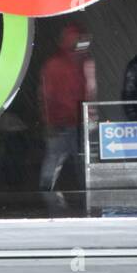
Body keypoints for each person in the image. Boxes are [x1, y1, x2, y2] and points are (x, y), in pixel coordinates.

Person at [39, 22, 95, 191]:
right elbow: (89, 93)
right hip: (70, 122)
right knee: (82, 161)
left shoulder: (55, 63)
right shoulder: (82, 62)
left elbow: (45, 96)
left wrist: (48, 121)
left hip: (65, 122)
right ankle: (87, 196)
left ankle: (47, 196)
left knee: (55, 159)